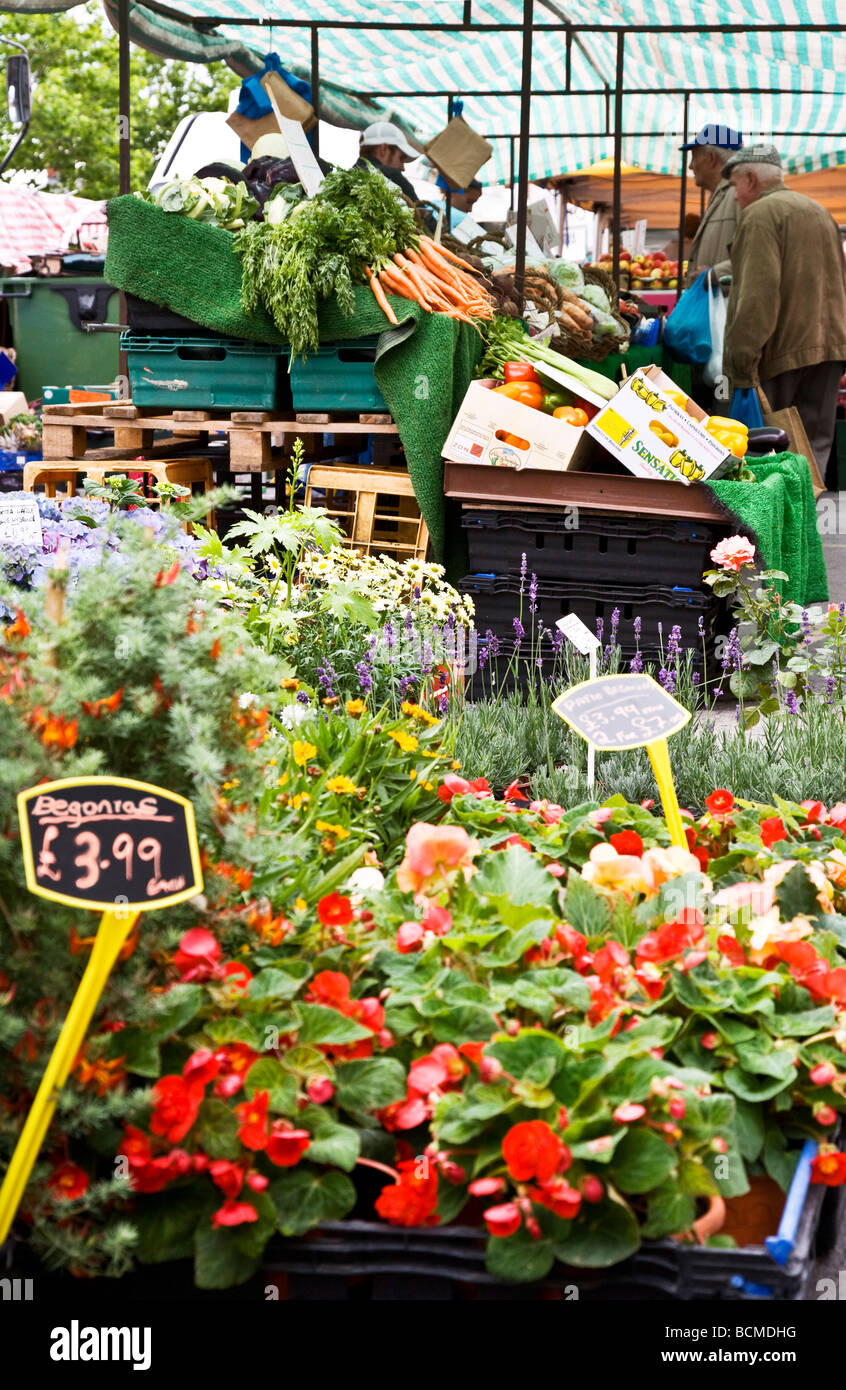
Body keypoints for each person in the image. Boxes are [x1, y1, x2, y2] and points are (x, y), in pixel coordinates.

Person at [722, 144, 846, 472]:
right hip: (830, 349)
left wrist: (741, 363)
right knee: (813, 449)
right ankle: (807, 519)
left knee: (770, 453)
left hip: (780, 352)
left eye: (734, 186)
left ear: (750, 179)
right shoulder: (819, 211)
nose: (735, 196)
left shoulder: (759, 215)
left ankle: (774, 523)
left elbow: (756, 298)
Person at [679, 124, 743, 288]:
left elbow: (758, 257)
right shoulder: (722, 196)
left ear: (712, 158)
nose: (691, 166)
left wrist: (715, 274)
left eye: (694, 157)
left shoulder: (740, 196)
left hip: (725, 309)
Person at [357, 120, 421, 202]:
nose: (403, 168)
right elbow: (421, 212)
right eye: (401, 158)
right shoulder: (392, 176)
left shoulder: (350, 173)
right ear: (383, 149)